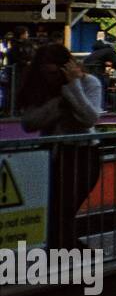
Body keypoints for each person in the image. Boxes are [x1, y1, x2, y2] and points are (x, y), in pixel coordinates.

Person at [17, 44, 103, 248]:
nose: (50, 78)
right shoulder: (38, 88)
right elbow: (29, 123)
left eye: (55, 73)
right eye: (46, 73)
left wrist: (72, 87)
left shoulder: (89, 83)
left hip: (83, 151)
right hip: (53, 152)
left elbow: (89, 118)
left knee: (66, 204)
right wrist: (59, 105)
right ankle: (61, 246)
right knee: (55, 204)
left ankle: (63, 245)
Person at [81, 36, 116, 110]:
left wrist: (105, 63)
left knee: (89, 92)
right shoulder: (109, 50)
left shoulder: (96, 51)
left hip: (86, 71)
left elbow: (98, 60)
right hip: (96, 72)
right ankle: (101, 110)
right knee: (101, 90)